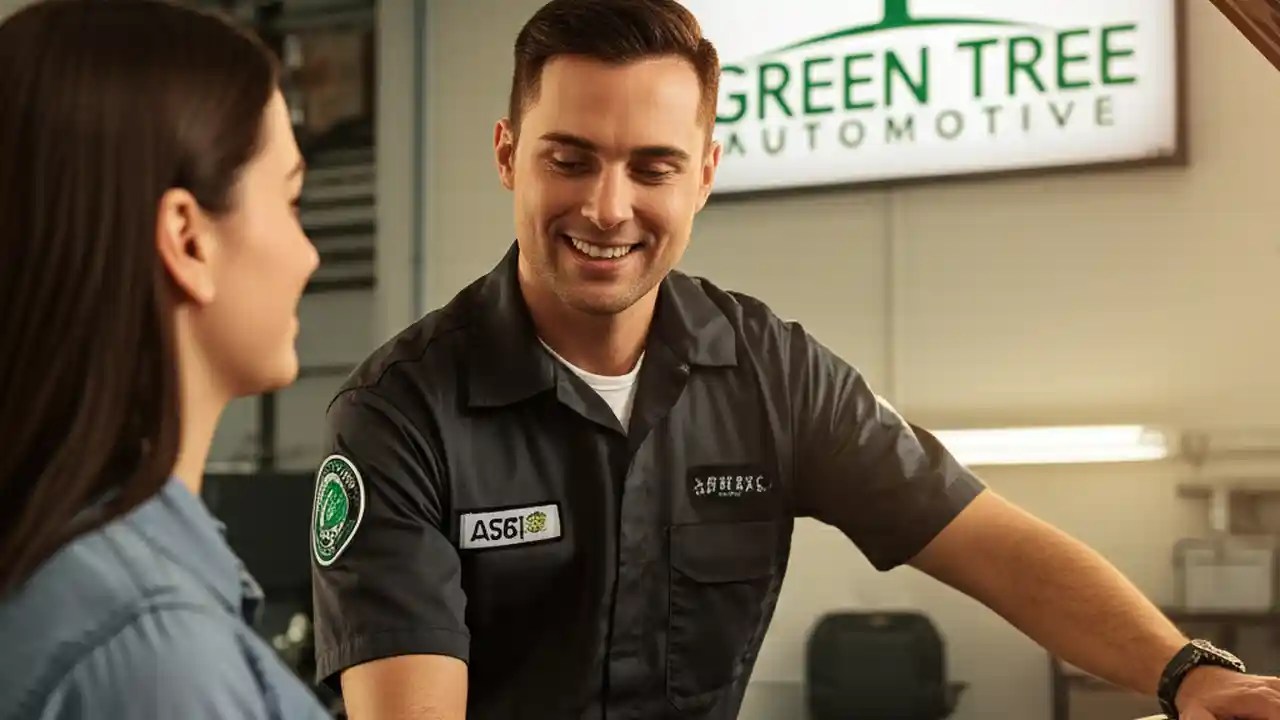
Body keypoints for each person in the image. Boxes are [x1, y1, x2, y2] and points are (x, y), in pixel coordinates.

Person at [308, 1, 1280, 719]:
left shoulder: (770, 373)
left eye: (651, 167)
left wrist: (1185, 670)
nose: (608, 207)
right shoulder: (401, 415)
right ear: (506, 154)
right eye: (569, 159)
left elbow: (990, 545)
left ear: (703, 177)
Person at [0, 1, 331, 718]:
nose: (310, 253)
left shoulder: (69, 571)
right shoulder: (153, 656)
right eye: (292, 198)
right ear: (187, 240)